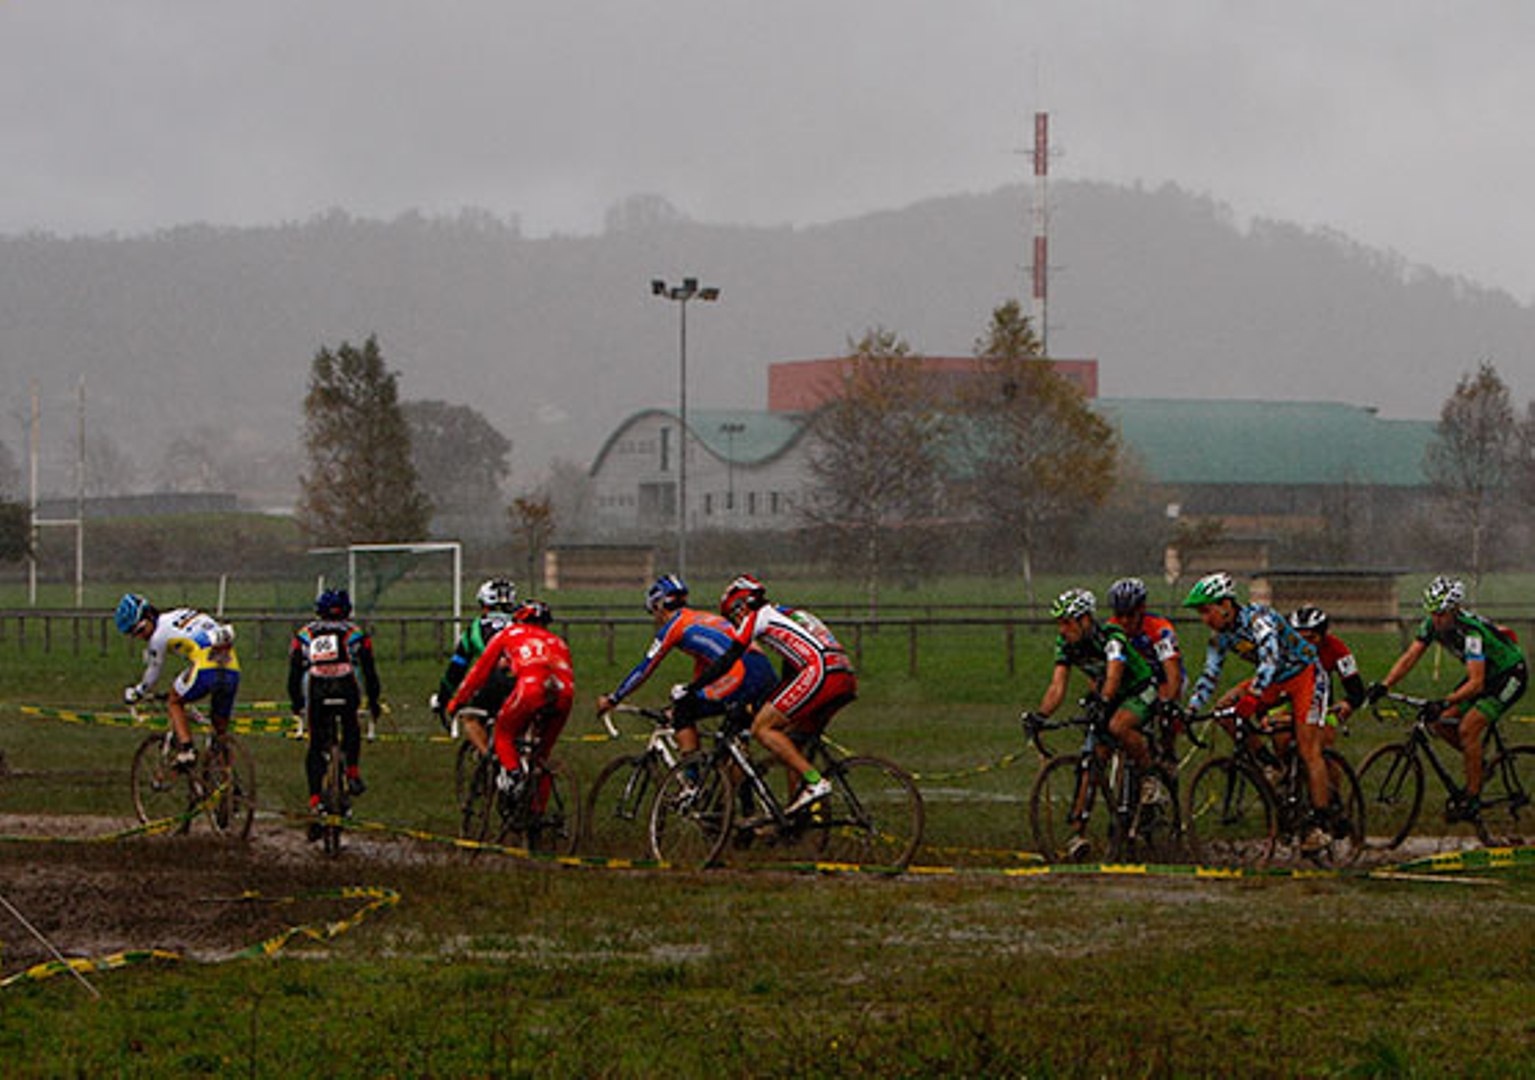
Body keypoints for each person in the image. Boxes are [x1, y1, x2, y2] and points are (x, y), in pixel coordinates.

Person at [674, 575, 857, 816]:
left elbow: (728, 659)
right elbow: (793, 661)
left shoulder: (756, 617)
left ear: (741, 606)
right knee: (793, 743)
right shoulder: (792, 614)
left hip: (820, 671)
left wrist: (693, 688)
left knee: (763, 728)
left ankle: (815, 782)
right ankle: (797, 819)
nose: (735, 622)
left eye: (732, 616)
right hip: (844, 674)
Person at [1182, 571, 1333, 853]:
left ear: (1226, 605)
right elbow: (1209, 675)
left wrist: (1253, 698)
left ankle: (1320, 826)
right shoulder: (1220, 637)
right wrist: (1191, 709)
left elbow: (1270, 659)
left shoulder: (1259, 620)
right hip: (1275, 680)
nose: (1204, 619)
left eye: (1207, 610)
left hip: (1305, 676)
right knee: (1225, 710)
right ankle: (1270, 764)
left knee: (1307, 748)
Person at [1367, 575, 1528, 822]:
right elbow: (1410, 656)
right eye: (1432, 613)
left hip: (1508, 675)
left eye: (1441, 614)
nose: (1436, 619)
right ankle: (1480, 766)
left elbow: (1476, 684)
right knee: (1440, 723)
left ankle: (1472, 798)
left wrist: (1445, 700)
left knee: (1468, 728)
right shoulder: (1431, 625)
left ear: (1454, 610)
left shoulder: (1471, 633)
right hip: (1485, 675)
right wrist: (1385, 685)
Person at [595, 574, 778, 755]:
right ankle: (743, 783)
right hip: (763, 670)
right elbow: (704, 669)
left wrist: (614, 698)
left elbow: (645, 668)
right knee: (730, 742)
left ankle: (691, 778)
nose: (655, 617)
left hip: (739, 673)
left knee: (684, 711)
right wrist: (691, 692)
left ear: (659, 605)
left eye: (653, 611)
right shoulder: (703, 618)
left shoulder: (674, 627)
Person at [1030, 588, 1161, 806]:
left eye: (1067, 623)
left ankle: (1149, 776)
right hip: (1110, 695)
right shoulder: (1066, 645)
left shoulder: (1111, 638)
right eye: (1059, 623)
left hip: (1139, 689)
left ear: (1086, 620)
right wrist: (1040, 716)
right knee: (1092, 762)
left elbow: (1113, 675)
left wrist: (1104, 701)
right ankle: (1079, 833)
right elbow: (1057, 686)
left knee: (1119, 726)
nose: (1062, 630)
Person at [444, 599, 575, 815]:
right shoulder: (559, 642)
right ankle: (536, 814)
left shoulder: (509, 633)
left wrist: (456, 701)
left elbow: (479, 671)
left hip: (531, 688)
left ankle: (513, 777)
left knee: (503, 732)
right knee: (540, 757)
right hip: (564, 694)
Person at [287, 589, 382, 838]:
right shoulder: (356, 632)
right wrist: (373, 701)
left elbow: (294, 672)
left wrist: (296, 703)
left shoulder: (304, 633)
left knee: (316, 745)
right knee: (351, 724)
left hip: (316, 691)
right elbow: (370, 672)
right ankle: (352, 772)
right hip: (347, 687)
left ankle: (315, 800)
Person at [115, 593, 240, 771]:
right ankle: (229, 780)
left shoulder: (158, 636)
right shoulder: (178, 615)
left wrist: (138, 692)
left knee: (174, 700)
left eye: (140, 630)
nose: (141, 637)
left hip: (206, 667)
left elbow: (153, 671)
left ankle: (187, 750)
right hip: (231, 666)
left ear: (149, 615)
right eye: (134, 635)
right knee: (219, 732)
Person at [431, 577, 519, 758]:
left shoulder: (474, 629)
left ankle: (492, 758)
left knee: (470, 717)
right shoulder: (523, 624)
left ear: (484, 604)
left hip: (493, 683)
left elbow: (457, 668)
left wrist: (443, 697)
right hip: (526, 681)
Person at [1106, 576, 1186, 761]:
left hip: (1163, 677)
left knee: (1165, 716)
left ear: (1141, 609)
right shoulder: (1111, 629)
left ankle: (1167, 757)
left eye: (1130, 614)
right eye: (1120, 615)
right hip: (1136, 681)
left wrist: (1169, 702)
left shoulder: (1159, 629)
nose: (1125, 621)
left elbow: (1172, 672)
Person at [1290, 605, 1366, 741]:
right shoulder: (1284, 648)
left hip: (1322, 705)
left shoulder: (1337, 648)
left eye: (1311, 638)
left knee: (1322, 741)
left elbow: (1356, 688)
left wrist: (1348, 703)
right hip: (1289, 701)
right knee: (1281, 738)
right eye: (1300, 639)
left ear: (1323, 635)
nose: (1305, 645)